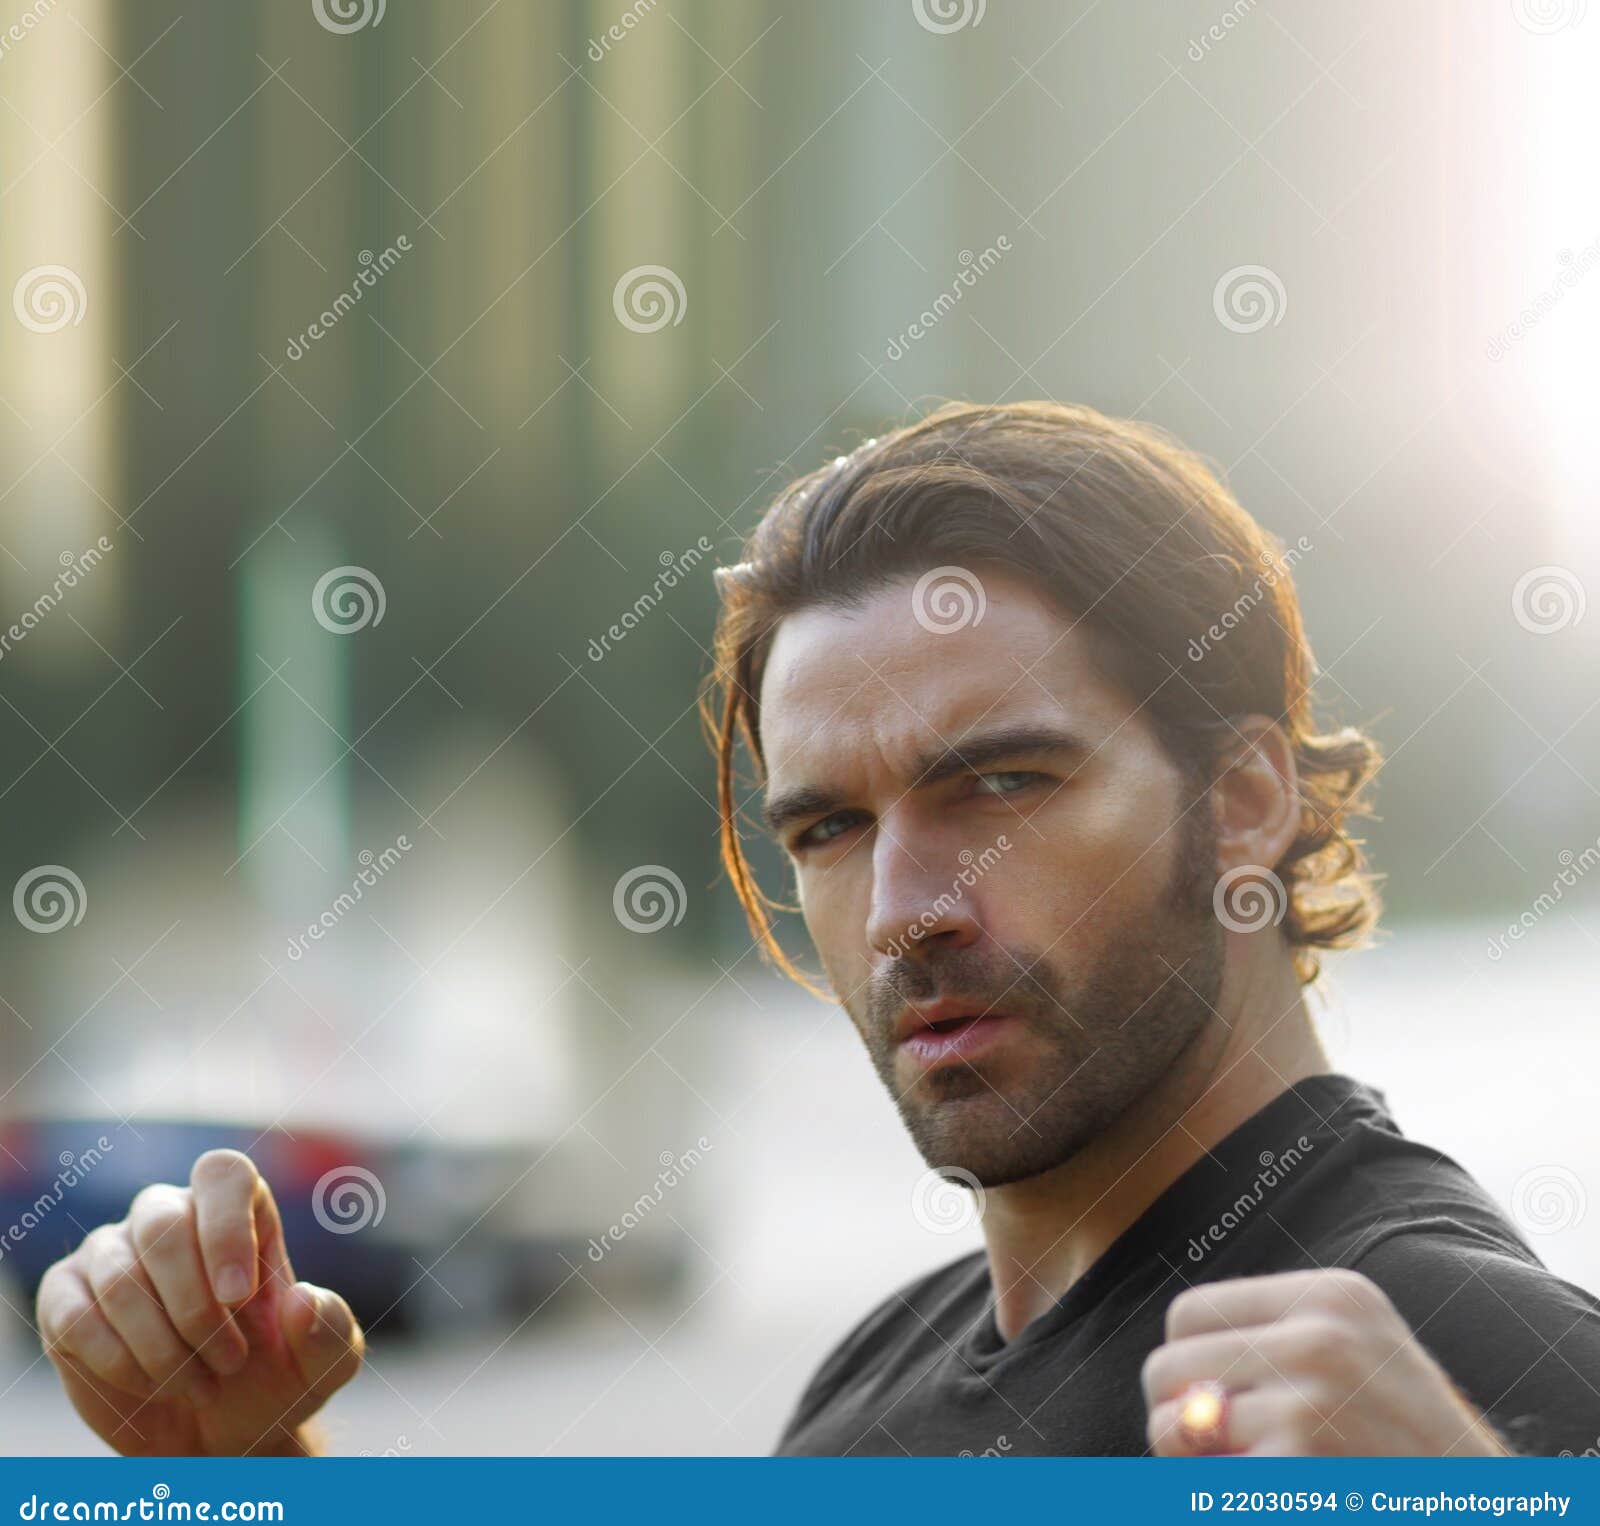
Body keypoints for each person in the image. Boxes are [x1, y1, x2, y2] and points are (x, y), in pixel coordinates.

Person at [36, 401, 1600, 1457]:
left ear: (1243, 803)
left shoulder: (1453, 1361)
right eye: (831, 830)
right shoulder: (871, 1395)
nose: (907, 910)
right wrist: (249, 1472)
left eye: (1000, 784)